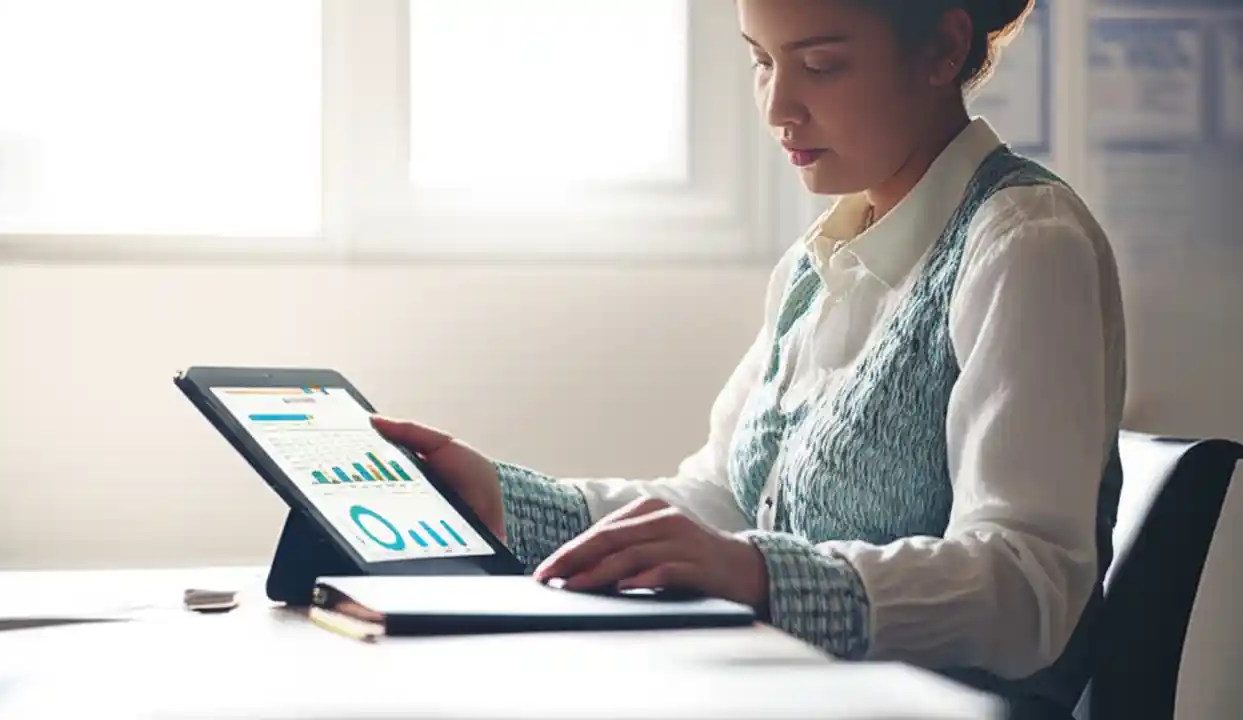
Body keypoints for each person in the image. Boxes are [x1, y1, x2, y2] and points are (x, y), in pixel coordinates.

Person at [373, 1, 1124, 717]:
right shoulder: (820, 261)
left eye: (821, 66)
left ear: (940, 49)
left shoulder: (1025, 243)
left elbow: (1031, 586)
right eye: (762, 62)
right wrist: (508, 503)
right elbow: (729, 497)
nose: (776, 107)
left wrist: (762, 576)